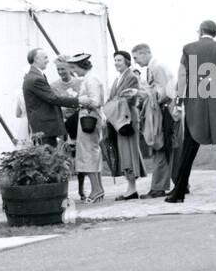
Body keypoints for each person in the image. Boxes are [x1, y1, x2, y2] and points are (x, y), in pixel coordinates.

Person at [166, 20, 216, 203]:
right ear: (215, 32)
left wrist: (178, 101)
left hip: (196, 103)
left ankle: (179, 192)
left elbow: (182, 76)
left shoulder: (188, 48)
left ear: (200, 32)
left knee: (189, 149)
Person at [132, 43, 175, 198]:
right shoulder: (154, 66)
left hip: (163, 112)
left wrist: (147, 96)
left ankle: (158, 187)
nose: (136, 61)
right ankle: (177, 183)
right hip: (162, 110)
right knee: (166, 148)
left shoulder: (156, 67)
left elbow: (167, 91)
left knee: (160, 147)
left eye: (136, 57)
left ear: (145, 53)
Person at [104, 50, 146, 200]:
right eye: (115, 60)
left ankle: (132, 188)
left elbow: (128, 98)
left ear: (127, 61)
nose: (116, 63)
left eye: (119, 60)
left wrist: (113, 103)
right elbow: (112, 97)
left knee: (129, 151)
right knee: (124, 151)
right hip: (118, 118)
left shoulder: (131, 77)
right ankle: (130, 186)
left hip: (128, 117)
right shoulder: (117, 79)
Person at [64, 54, 106, 204]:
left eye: (74, 68)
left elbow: (96, 101)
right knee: (89, 152)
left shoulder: (91, 79)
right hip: (87, 118)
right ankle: (98, 188)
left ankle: (96, 189)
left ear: (82, 65)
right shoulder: (89, 78)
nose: (74, 72)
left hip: (90, 118)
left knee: (89, 153)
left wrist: (80, 101)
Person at [22, 47, 80, 147]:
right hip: (45, 127)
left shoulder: (35, 76)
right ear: (36, 59)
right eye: (45, 57)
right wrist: (78, 100)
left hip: (44, 127)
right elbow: (53, 99)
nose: (47, 60)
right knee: (49, 157)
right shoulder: (36, 78)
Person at [53, 60, 81, 142]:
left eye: (63, 69)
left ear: (69, 69)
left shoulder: (79, 82)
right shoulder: (54, 86)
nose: (60, 72)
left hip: (78, 122)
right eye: (58, 69)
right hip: (63, 123)